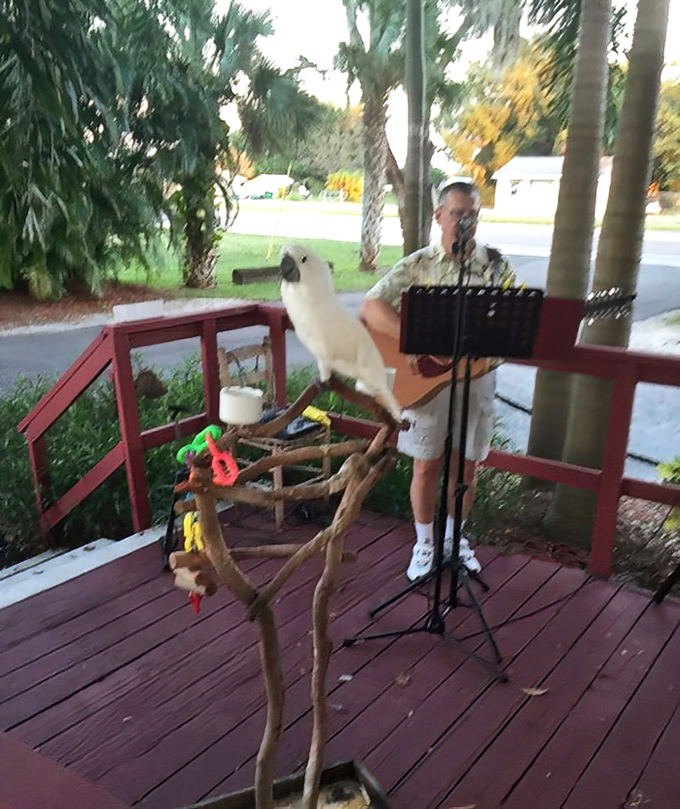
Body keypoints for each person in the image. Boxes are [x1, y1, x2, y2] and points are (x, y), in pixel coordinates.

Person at [361, 180, 515, 581]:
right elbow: (372, 307)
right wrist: (415, 342)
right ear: (439, 216)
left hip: (477, 380)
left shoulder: (496, 265)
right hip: (426, 384)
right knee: (427, 465)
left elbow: (518, 319)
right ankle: (425, 543)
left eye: (473, 214)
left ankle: (456, 541)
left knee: (466, 468)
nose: (467, 221)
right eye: (459, 213)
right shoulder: (418, 265)